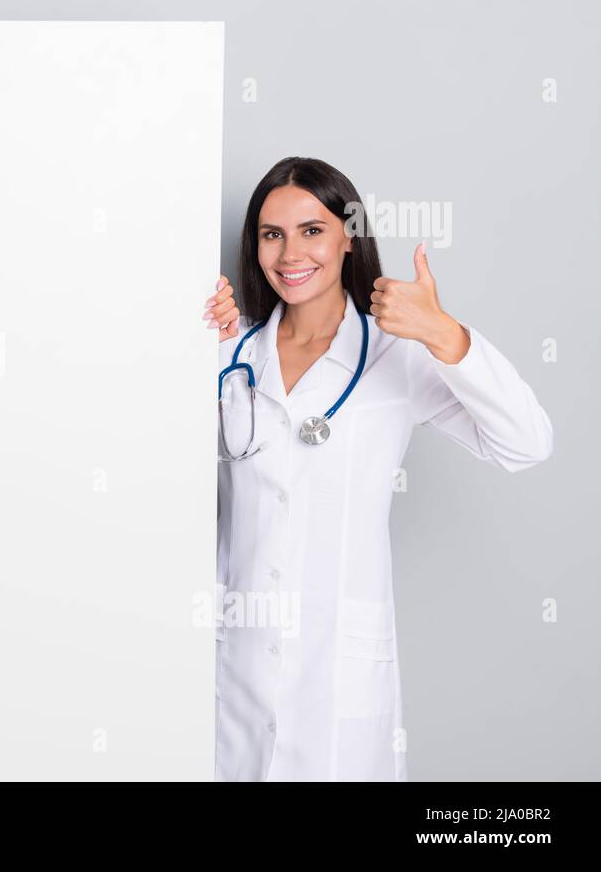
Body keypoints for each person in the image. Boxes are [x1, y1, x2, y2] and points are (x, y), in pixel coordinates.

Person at [201, 157, 552, 781]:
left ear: (348, 237)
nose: (289, 253)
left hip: (338, 676)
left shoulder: (396, 355)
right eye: (271, 233)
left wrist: (445, 334)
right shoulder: (234, 358)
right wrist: (194, 339)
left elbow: (526, 443)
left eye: (312, 230)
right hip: (236, 671)